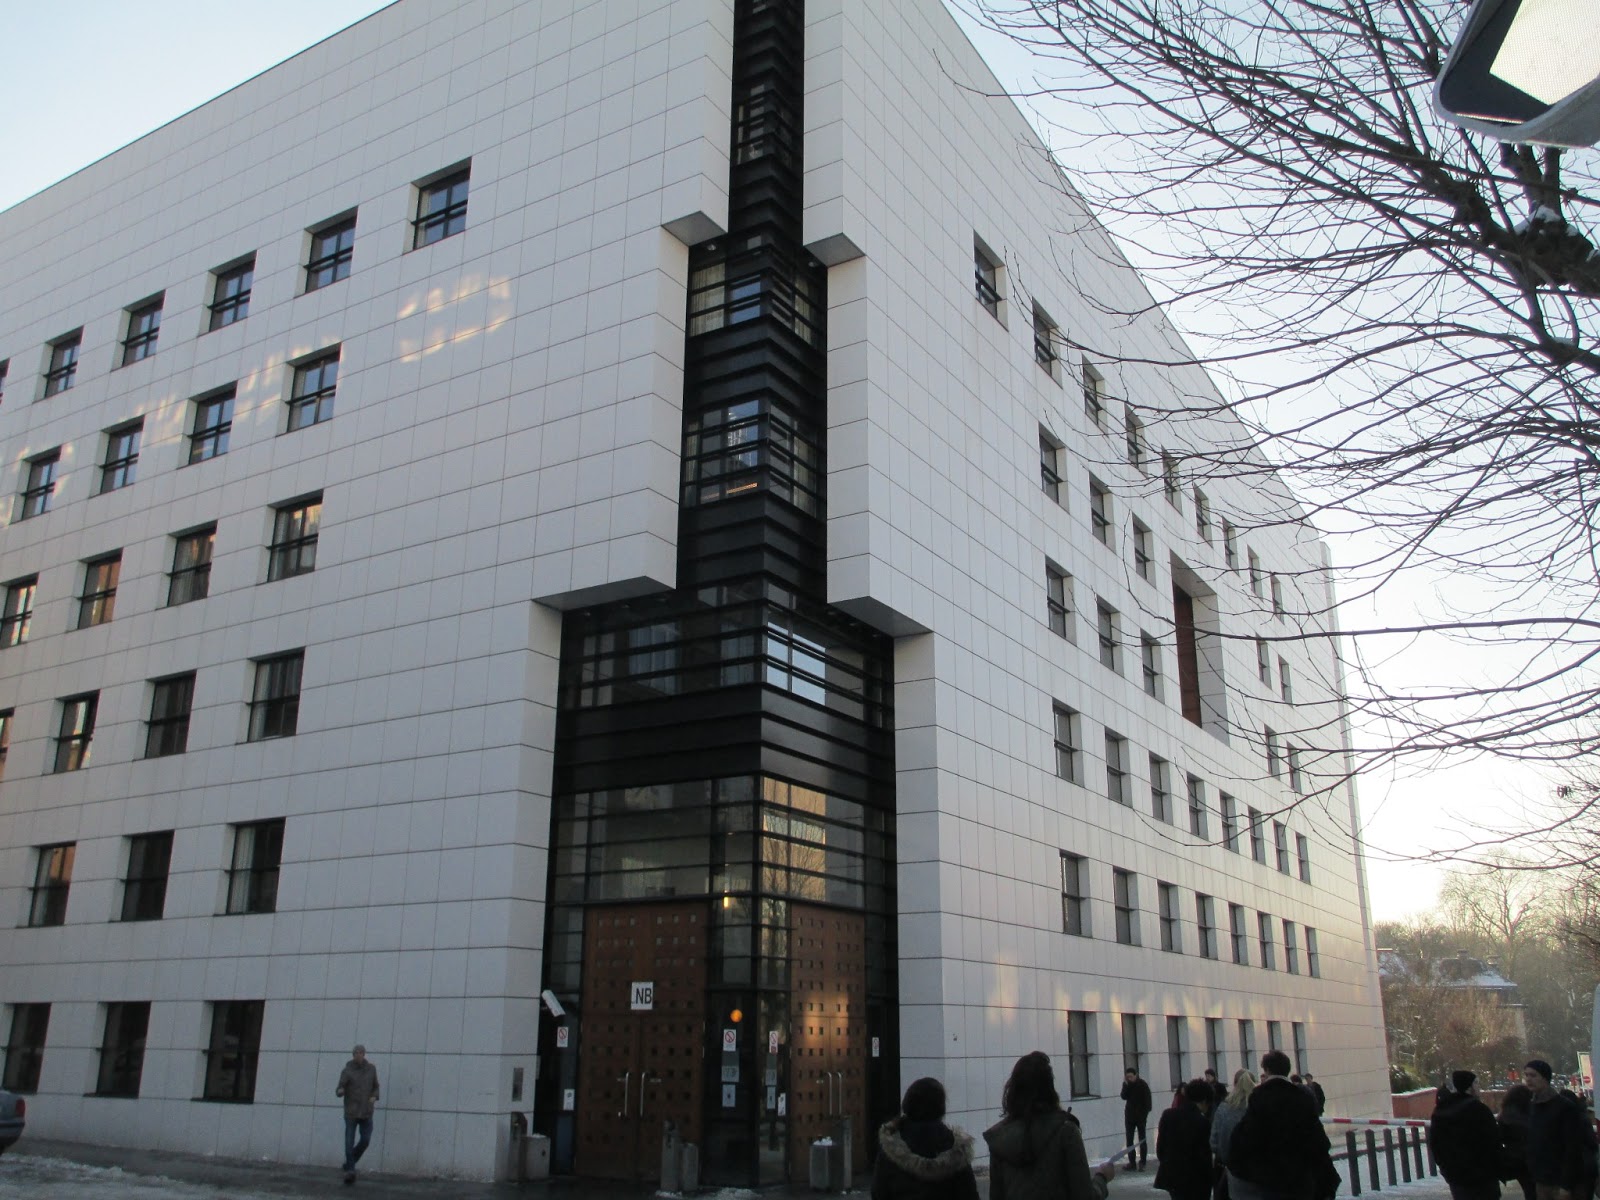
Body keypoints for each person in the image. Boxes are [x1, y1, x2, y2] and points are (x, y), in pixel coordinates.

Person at [985, 1052, 1110, 1200]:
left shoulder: (1000, 1138)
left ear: (1013, 1090)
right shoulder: (1066, 1132)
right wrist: (1101, 1179)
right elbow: (1083, 1195)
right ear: (1050, 1088)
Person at [1226, 1050, 1339, 1200]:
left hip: (1270, 1181)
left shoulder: (1260, 1097)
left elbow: (1246, 1139)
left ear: (1266, 1070)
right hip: (1300, 1179)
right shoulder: (1302, 1097)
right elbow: (1318, 1141)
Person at [872, 1077, 980, 1200]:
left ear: (908, 1102)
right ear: (941, 1107)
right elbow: (969, 1194)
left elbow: (878, 1192)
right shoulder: (956, 1147)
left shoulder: (892, 1144)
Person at [1523, 1059, 1597, 1200]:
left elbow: (1572, 1147)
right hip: (1542, 1179)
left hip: (1561, 1181)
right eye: (1526, 1075)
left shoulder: (1564, 1107)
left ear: (1545, 1078)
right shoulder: (1532, 1105)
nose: (1528, 1079)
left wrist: (1566, 1184)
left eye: (1533, 1075)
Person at [1430, 1070, 1503, 1200]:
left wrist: (1446, 1170)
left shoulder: (1441, 1110)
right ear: (1469, 1087)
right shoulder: (1479, 1109)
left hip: (1456, 1177)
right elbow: (1493, 1141)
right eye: (1476, 1084)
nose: (1479, 1088)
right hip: (1482, 1177)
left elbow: (1435, 1144)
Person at [1156, 1080, 1216, 1200]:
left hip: (1172, 1176)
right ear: (1204, 1100)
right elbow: (1204, 1157)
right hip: (1195, 1180)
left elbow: (1160, 1149)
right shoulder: (1202, 1122)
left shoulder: (1168, 1115)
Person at [336, 1044, 380, 1185]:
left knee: (365, 1140)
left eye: (361, 1052)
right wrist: (340, 1091)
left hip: (366, 1111)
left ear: (364, 1054)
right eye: (356, 1053)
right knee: (349, 1140)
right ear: (353, 1055)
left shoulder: (371, 1069)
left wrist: (374, 1096)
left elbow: (376, 1086)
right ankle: (350, 1171)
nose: (359, 1055)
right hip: (352, 1111)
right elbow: (339, 1087)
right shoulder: (347, 1071)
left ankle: (350, 1163)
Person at [1210, 1069, 1257, 1200]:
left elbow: (1214, 1142)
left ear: (1235, 1084)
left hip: (1227, 1171)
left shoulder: (1224, 1108)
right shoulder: (1260, 1107)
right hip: (1257, 1173)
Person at [1499, 1084, 1536, 1200]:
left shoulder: (1504, 1115)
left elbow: (1501, 1137)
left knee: (1528, 1189)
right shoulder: (1530, 1112)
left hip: (1517, 1159)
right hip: (1533, 1156)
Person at [1123, 1066, 1154, 1170]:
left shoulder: (1142, 1085)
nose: (1129, 1079)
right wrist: (1125, 1085)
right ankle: (1132, 1163)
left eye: (1131, 1077)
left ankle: (1142, 1163)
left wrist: (1144, 1114)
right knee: (1129, 1140)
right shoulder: (1127, 1085)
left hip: (1140, 1116)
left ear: (1135, 1076)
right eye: (1127, 1077)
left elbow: (1148, 1101)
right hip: (1130, 1116)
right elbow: (1123, 1096)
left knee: (1142, 1139)